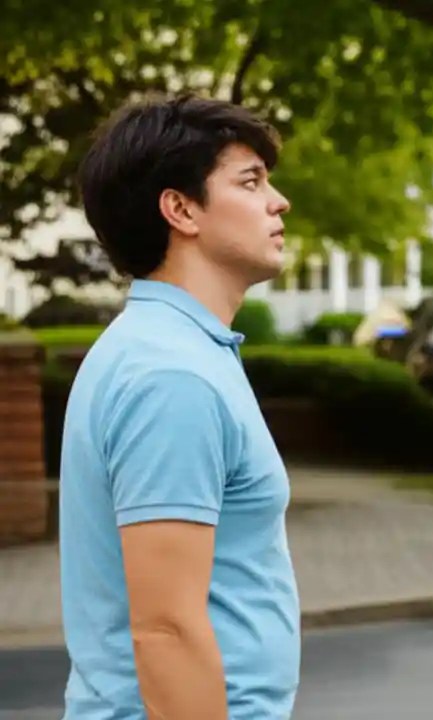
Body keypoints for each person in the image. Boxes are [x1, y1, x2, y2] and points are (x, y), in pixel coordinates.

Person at [59, 94, 299, 719]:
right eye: (251, 181)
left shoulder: (179, 349)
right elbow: (165, 628)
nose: (279, 202)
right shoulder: (171, 374)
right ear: (181, 208)